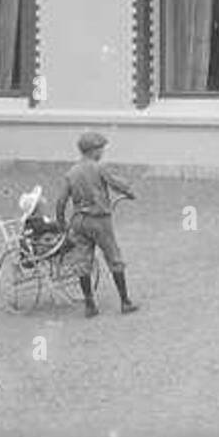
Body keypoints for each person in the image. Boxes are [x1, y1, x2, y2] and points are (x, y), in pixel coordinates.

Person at [55, 132, 138, 317]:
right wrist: (129, 191)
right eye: (101, 149)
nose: (102, 152)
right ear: (93, 150)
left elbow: (60, 202)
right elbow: (116, 184)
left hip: (78, 222)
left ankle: (90, 305)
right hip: (99, 221)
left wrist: (62, 225)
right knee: (114, 257)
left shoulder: (71, 173)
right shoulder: (99, 168)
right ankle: (125, 301)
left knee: (83, 263)